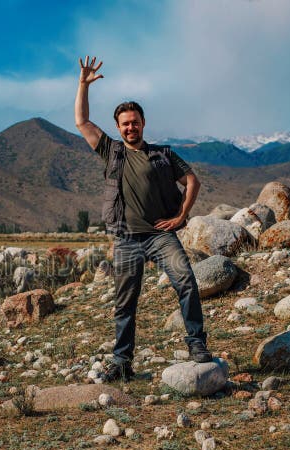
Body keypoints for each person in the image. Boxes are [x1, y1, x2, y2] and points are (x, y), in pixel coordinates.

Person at [74, 56, 212, 382]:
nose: (130, 127)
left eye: (135, 122)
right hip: (126, 239)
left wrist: (181, 215)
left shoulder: (162, 154)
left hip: (160, 235)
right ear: (118, 127)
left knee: (186, 282)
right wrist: (83, 85)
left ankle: (197, 345)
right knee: (125, 303)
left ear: (143, 123)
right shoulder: (112, 151)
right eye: (125, 124)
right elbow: (82, 121)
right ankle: (122, 362)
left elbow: (192, 180)